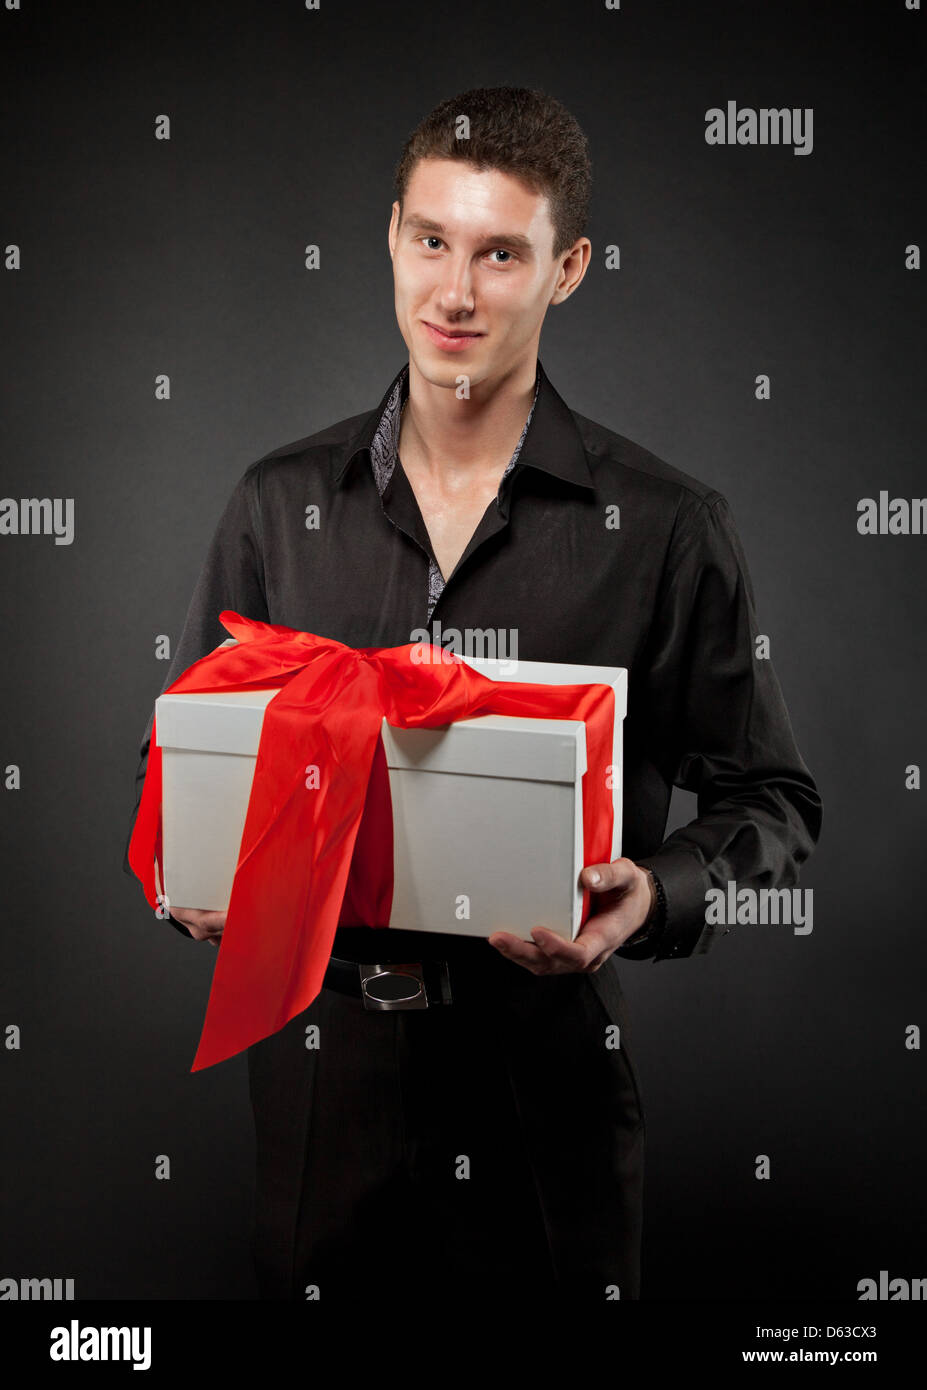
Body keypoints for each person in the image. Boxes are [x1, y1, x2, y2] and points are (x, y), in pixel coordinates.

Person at [124, 86, 822, 1304]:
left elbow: (771, 796)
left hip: (543, 1085)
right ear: (393, 236)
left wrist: (654, 892)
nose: (455, 291)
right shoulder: (275, 502)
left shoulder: (665, 528)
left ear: (569, 269)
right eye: (434, 241)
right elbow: (176, 758)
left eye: (501, 253)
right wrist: (187, 879)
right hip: (318, 1078)